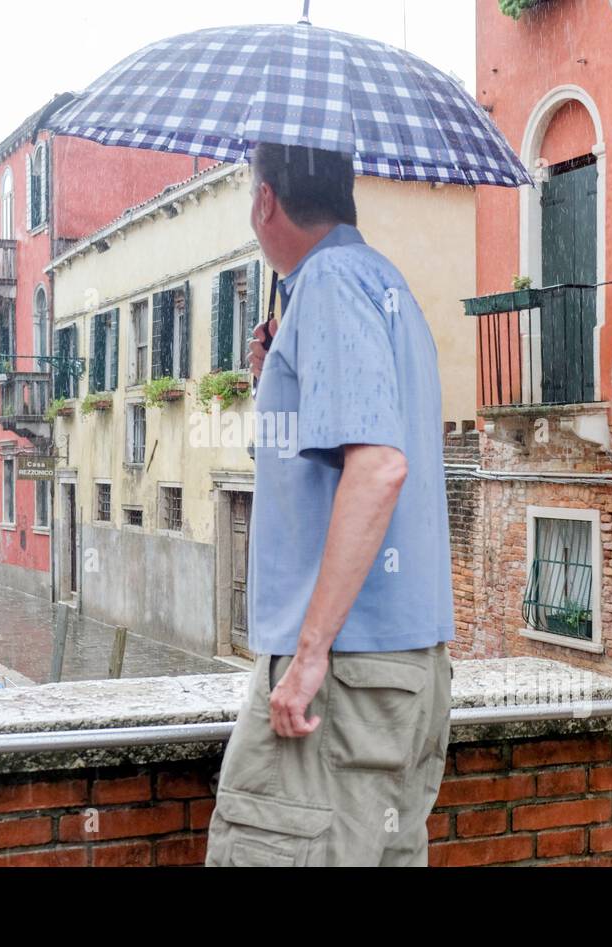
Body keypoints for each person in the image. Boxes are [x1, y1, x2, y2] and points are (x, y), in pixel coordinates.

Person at [204, 143, 456, 867]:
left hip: (346, 670)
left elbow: (378, 468)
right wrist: (276, 379)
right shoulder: (386, 286)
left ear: (265, 201)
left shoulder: (330, 282)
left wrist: (310, 655)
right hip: (399, 665)